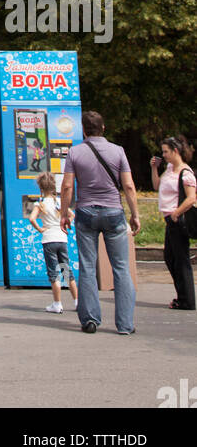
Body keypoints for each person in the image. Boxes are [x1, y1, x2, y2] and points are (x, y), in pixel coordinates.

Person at [59, 110, 140, 336]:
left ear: (83, 130)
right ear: (103, 128)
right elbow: (129, 186)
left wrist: (64, 214)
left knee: (87, 267)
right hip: (114, 212)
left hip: (85, 213)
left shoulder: (75, 152)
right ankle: (124, 325)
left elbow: (67, 186)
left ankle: (90, 320)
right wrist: (135, 214)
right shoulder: (118, 151)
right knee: (121, 268)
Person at [150, 136, 196, 311]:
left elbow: (191, 198)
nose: (164, 155)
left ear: (175, 151)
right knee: (170, 258)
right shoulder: (169, 169)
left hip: (178, 219)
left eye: (166, 152)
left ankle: (187, 300)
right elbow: (157, 186)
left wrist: (177, 213)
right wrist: (154, 168)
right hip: (169, 218)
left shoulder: (185, 173)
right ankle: (182, 296)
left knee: (181, 259)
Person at [29, 171, 78, 314]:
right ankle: (77, 302)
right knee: (67, 271)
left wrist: (40, 229)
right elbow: (72, 214)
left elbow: (32, 218)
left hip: (49, 241)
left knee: (54, 273)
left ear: (41, 188)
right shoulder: (59, 202)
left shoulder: (41, 204)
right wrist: (66, 226)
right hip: (62, 239)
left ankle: (57, 304)